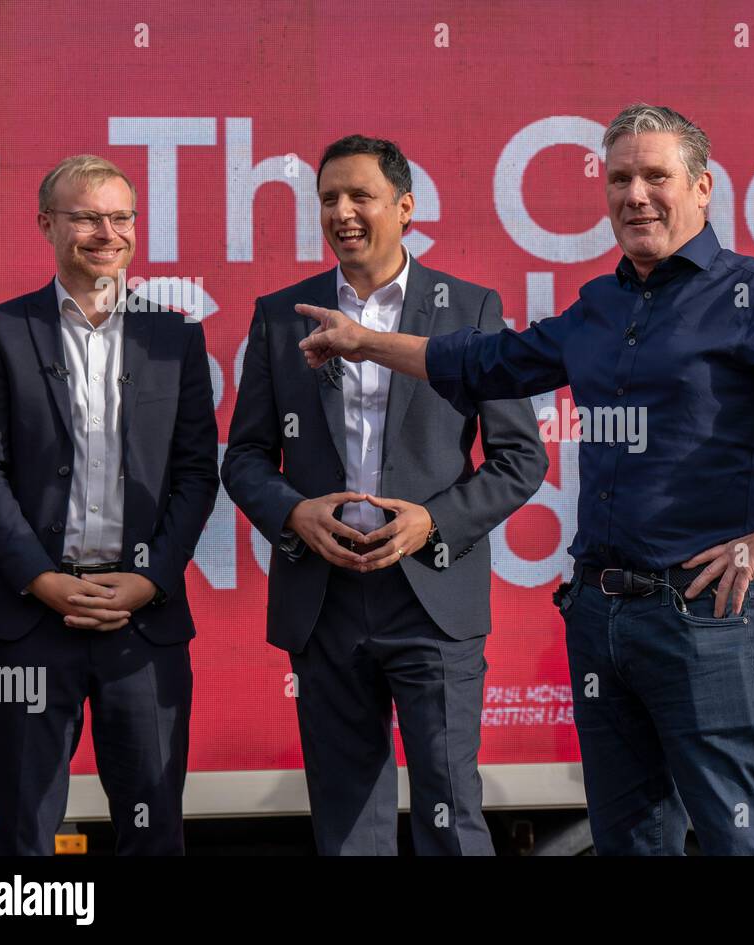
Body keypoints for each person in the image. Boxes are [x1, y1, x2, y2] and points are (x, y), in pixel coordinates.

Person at [293, 104, 754, 855]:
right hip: (600, 616)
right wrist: (365, 342)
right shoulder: (601, 306)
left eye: (655, 177)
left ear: (702, 187)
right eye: (619, 179)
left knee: (737, 839)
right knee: (628, 842)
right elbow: (486, 362)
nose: (635, 195)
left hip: (706, 617)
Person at [222, 135, 548, 855]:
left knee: (452, 814)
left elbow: (522, 456)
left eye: (359, 196)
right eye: (328, 198)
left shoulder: (468, 308)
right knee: (346, 826)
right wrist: (293, 511)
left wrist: (434, 520)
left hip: (432, 597)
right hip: (324, 601)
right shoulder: (282, 315)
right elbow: (244, 457)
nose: (342, 212)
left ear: (404, 207)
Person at [0, 154, 219, 854]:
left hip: (143, 621)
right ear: (47, 224)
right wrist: (41, 578)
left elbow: (197, 474)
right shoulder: (0, 329)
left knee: (154, 827)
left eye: (121, 217)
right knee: (22, 829)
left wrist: (150, 578)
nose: (107, 233)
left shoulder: (175, 337)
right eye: (87, 217)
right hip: (26, 619)